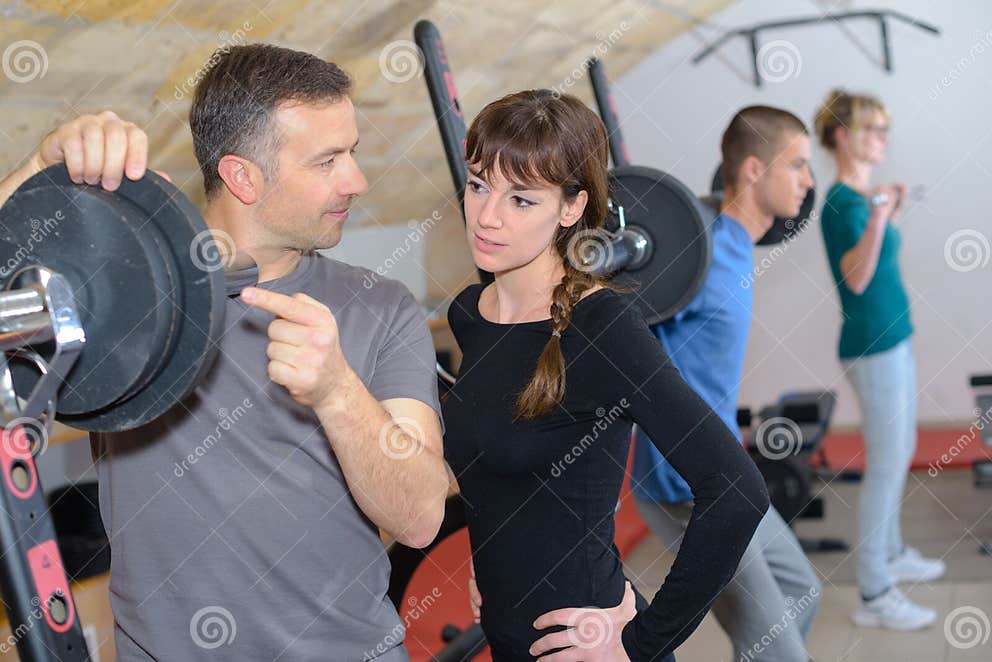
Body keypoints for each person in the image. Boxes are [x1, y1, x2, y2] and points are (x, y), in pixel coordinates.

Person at [0, 44, 448, 660]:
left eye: (352, 152)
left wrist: (337, 391)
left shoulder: (383, 306)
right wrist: (37, 169)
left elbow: (420, 518)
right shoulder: (128, 297)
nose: (357, 181)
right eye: (327, 161)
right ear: (242, 177)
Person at [443, 89, 769, 661]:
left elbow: (737, 491)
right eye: (478, 186)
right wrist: (493, 560)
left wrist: (641, 644)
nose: (487, 216)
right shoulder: (471, 315)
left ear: (571, 208)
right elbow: (503, 470)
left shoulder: (601, 327)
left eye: (521, 199)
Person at [630, 106, 821, 661]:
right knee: (778, 652)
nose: (809, 182)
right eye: (798, 165)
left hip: (726, 472)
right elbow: (626, 334)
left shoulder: (734, 242)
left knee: (802, 592)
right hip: (685, 482)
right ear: (754, 170)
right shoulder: (702, 252)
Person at [814, 89, 944, 631]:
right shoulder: (844, 202)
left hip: (895, 339)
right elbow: (858, 278)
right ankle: (874, 592)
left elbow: (880, 258)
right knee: (887, 465)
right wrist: (879, 216)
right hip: (872, 345)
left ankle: (891, 553)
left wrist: (889, 211)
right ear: (844, 136)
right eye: (873, 129)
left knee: (901, 450)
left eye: (886, 129)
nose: (883, 139)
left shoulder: (865, 199)